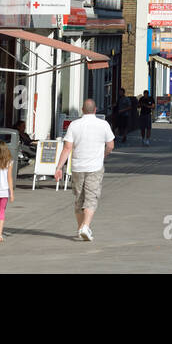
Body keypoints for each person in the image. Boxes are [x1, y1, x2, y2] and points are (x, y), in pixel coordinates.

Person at [54, 99, 115, 241]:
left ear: (82, 109)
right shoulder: (103, 124)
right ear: (95, 110)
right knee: (91, 197)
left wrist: (59, 167)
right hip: (95, 166)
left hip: (77, 167)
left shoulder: (74, 125)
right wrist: (103, 155)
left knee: (79, 198)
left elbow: (67, 148)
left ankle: (80, 228)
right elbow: (111, 145)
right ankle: (85, 226)